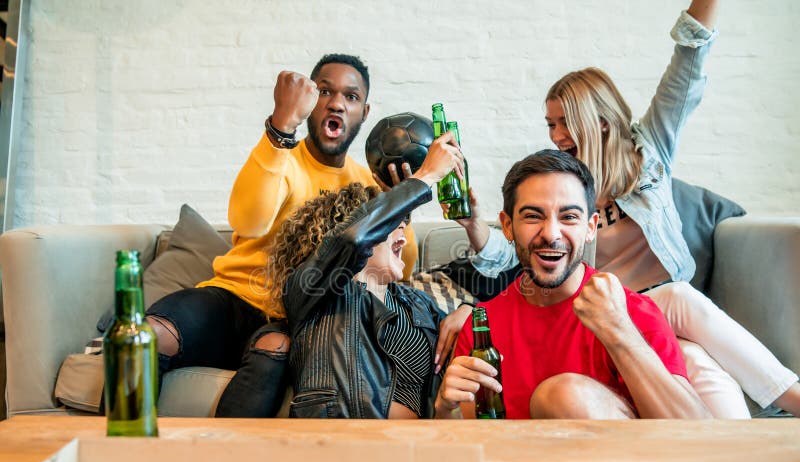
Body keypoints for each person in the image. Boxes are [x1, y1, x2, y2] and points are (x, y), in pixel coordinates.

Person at [455, 0, 800, 417]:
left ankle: (784, 409)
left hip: (651, 310)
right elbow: (518, 253)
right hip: (605, 309)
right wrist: (473, 226)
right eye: (550, 124)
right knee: (697, 362)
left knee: (683, 311)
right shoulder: (564, 188)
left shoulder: (646, 153)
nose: (557, 135)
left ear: (599, 119)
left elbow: (685, 73)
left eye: (565, 121)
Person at [145, 53, 419, 417]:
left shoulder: (368, 183)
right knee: (147, 336)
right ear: (308, 101)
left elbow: (400, 267)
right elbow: (249, 221)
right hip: (232, 299)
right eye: (325, 91)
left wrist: (398, 205)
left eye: (350, 97)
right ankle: (114, 455)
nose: (336, 102)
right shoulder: (280, 154)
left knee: (274, 348)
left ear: (364, 113)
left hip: (297, 318)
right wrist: (281, 125)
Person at [436, 150, 711, 420]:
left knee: (563, 395)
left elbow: (694, 434)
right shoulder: (481, 330)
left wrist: (620, 332)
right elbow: (472, 441)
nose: (551, 234)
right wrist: (445, 409)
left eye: (568, 217)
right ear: (507, 226)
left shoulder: (632, 311)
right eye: (533, 216)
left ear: (591, 227)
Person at [270, 133, 464, 418]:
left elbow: (465, 346)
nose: (403, 232)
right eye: (393, 224)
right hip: (344, 445)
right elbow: (352, 238)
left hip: (418, 452)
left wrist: (469, 311)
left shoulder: (417, 305)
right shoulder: (314, 291)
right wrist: (426, 176)